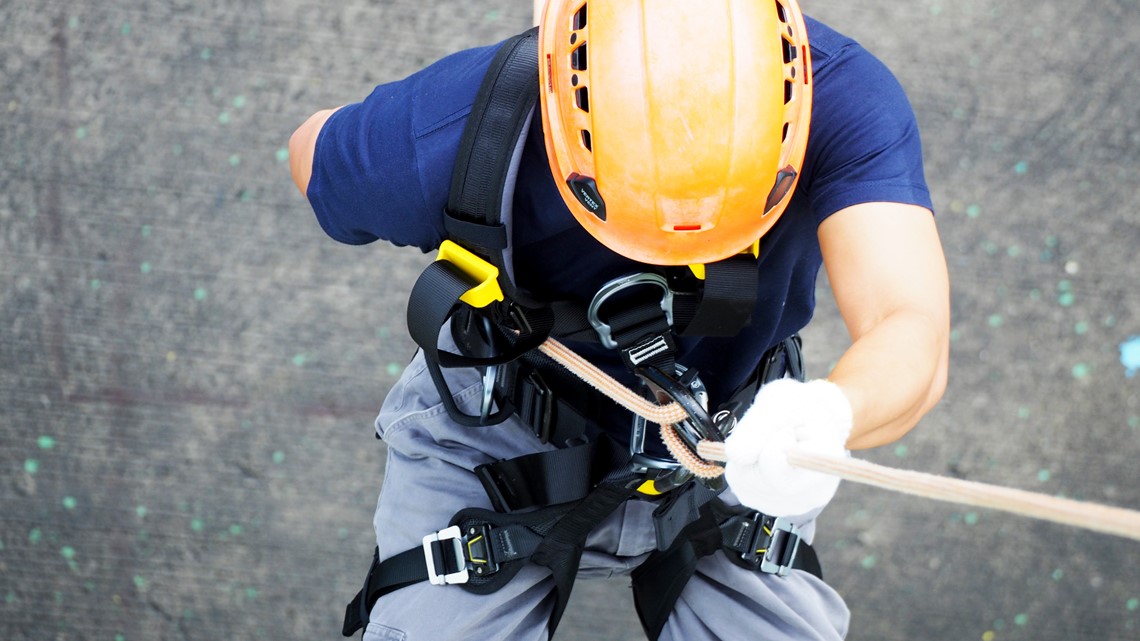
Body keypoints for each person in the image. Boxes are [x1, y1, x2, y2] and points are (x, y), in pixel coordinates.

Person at [289, 1, 949, 639]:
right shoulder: (471, 119)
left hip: (742, 442)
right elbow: (313, 154)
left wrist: (827, 417)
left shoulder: (839, 98)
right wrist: (384, 156)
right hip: (494, 431)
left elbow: (907, 321)